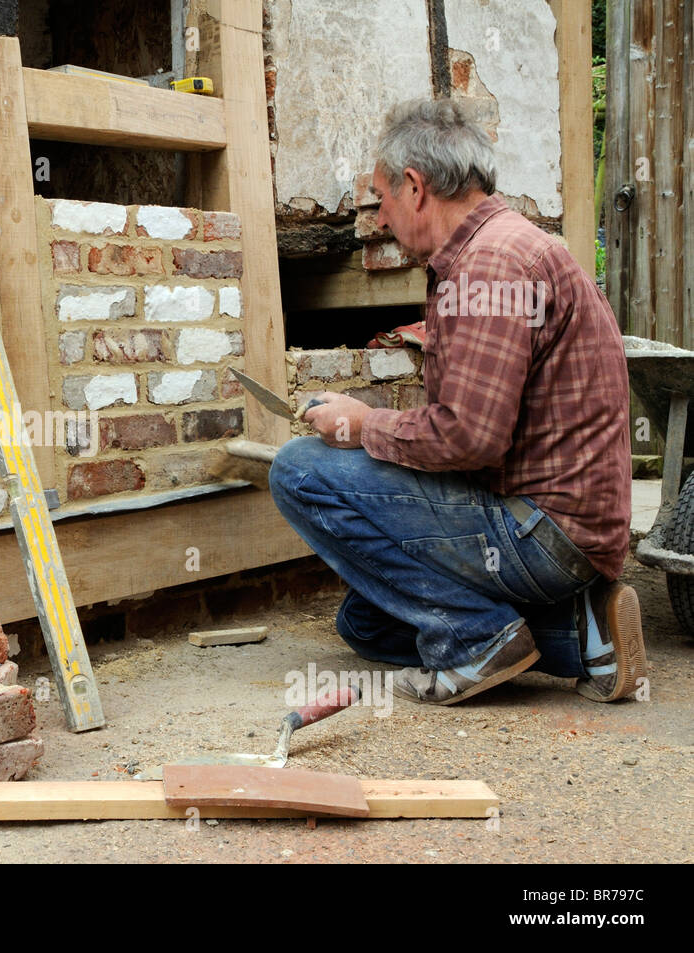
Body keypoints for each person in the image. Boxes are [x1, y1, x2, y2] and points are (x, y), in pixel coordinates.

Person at [268, 98, 647, 706]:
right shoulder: (502, 248)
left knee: (297, 469)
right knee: (363, 624)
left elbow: (469, 439)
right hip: (565, 532)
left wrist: (363, 426)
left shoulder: (489, 269)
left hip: (542, 533)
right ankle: (581, 637)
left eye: (380, 199)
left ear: (414, 187)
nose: (380, 219)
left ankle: (475, 641)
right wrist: (369, 422)